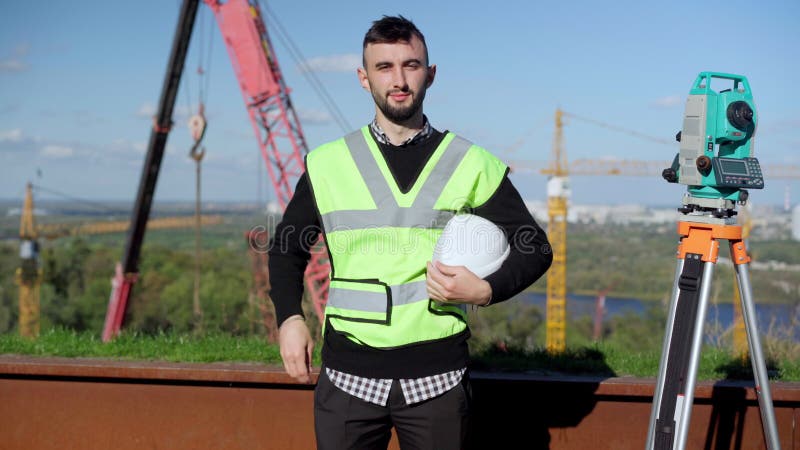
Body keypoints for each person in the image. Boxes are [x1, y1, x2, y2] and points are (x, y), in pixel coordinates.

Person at [268, 15, 552, 450]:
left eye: (411, 65)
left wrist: (485, 291)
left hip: (438, 380)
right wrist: (289, 318)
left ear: (430, 74)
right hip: (347, 379)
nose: (398, 80)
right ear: (363, 79)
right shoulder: (327, 163)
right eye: (384, 67)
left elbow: (534, 249)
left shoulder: (471, 163)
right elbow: (286, 247)